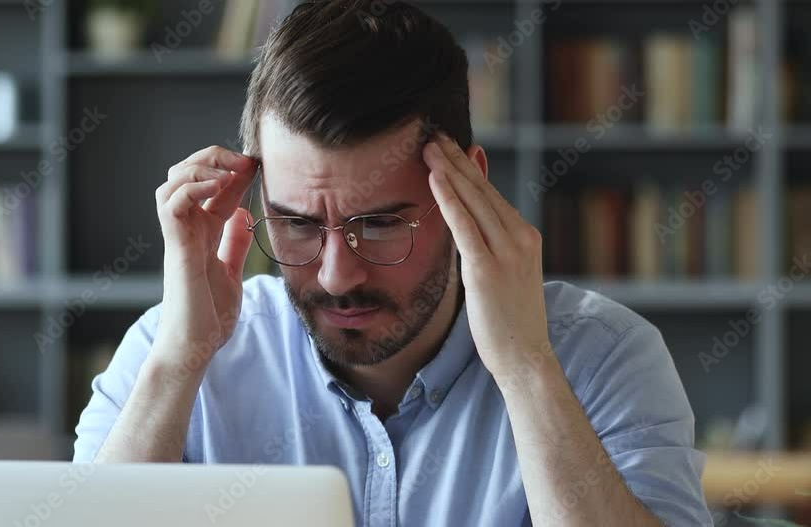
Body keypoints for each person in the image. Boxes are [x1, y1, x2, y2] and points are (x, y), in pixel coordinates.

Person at [73, 1, 713, 525]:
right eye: (296, 224)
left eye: (378, 225)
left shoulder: (602, 353)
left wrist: (525, 367)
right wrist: (180, 362)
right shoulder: (170, 350)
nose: (335, 276)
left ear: (469, 192)